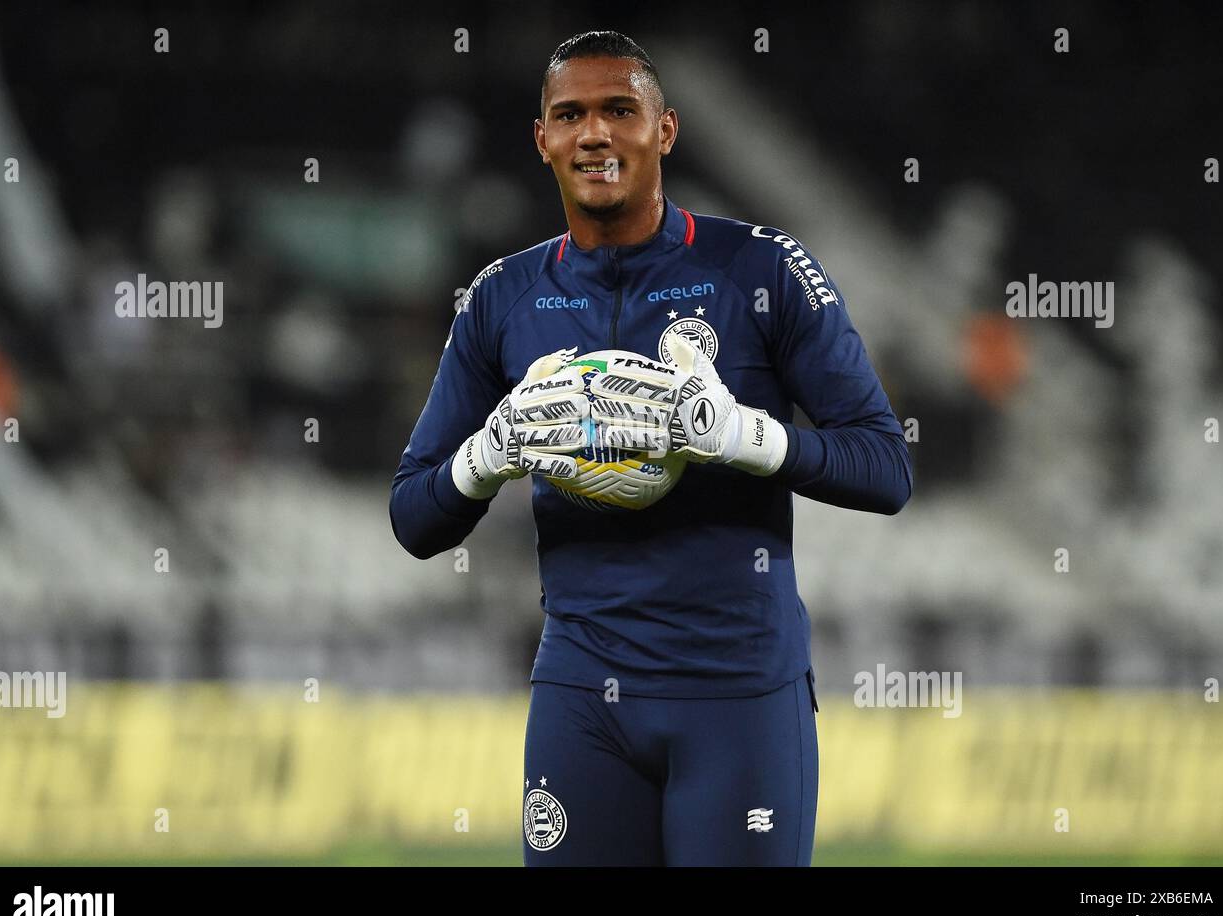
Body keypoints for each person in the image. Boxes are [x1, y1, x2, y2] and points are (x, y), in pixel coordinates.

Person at [390, 30, 911, 865]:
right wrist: (485, 456)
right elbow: (414, 516)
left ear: (664, 130)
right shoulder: (502, 297)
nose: (594, 134)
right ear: (543, 139)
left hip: (738, 695)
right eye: (571, 115)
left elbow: (886, 468)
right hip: (580, 698)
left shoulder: (762, 270)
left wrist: (747, 437)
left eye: (619, 111)